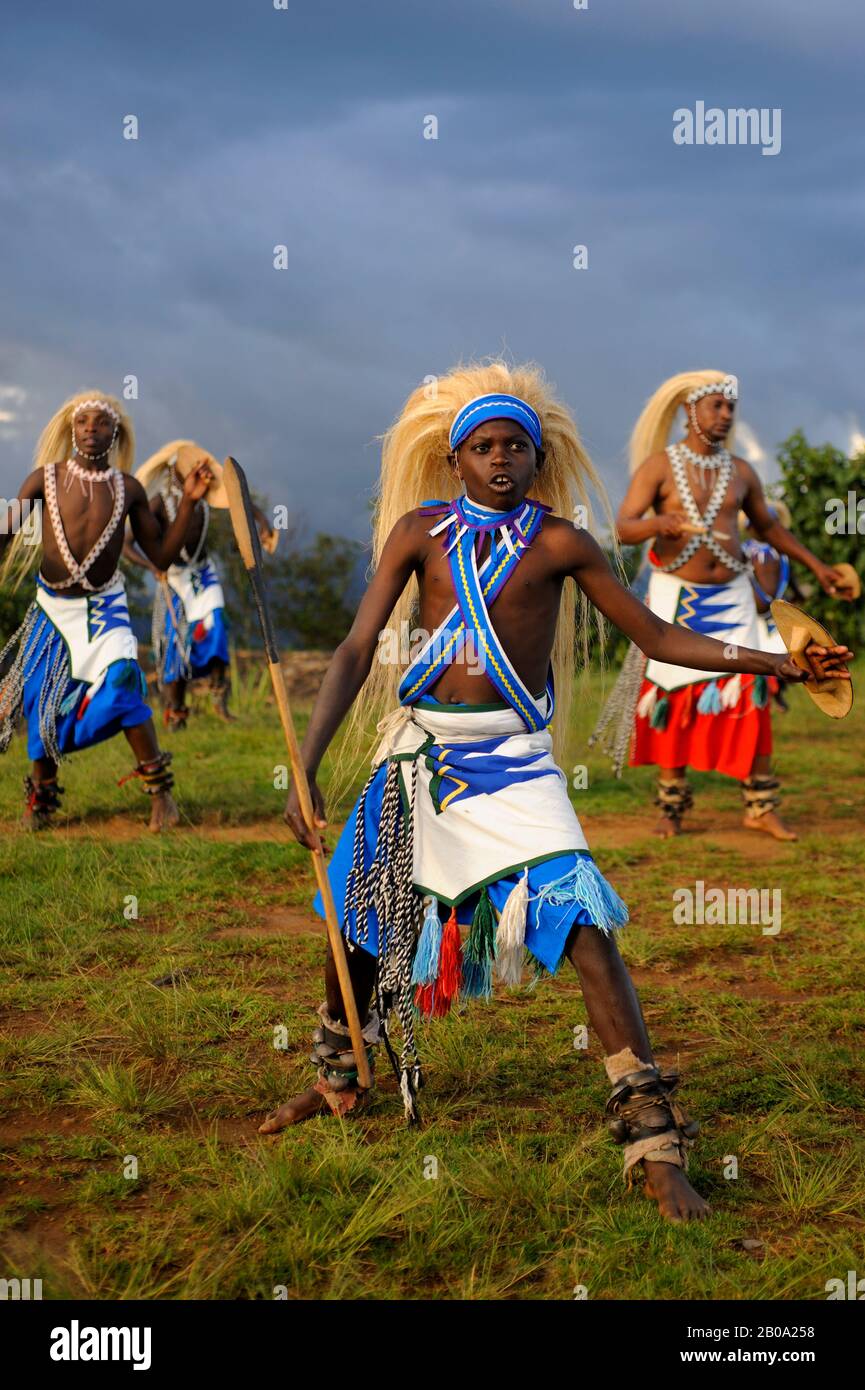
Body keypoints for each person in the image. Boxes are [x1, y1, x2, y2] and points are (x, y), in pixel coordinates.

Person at [264, 363, 851, 1224]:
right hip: (419, 754)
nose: (499, 460)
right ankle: (339, 1075)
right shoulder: (416, 533)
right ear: (454, 458)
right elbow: (356, 648)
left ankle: (653, 1143)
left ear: (536, 461)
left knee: (583, 927)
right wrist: (308, 766)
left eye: (515, 448)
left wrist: (774, 661)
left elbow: (654, 634)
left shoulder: (561, 541)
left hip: (514, 762)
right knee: (358, 909)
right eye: (482, 447)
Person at [591, 372, 854, 840]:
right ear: (691, 412)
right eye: (717, 406)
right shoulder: (659, 468)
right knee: (673, 697)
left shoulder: (742, 471)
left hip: (733, 597)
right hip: (678, 600)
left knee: (751, 693)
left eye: (731, 407)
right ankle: (671, 807)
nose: (727, 415)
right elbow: (623, 528)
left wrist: (817, 566)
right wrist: (661, 523)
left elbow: (770, 529)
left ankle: (760, 804)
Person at [0, 394, 212, 830]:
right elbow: (7, 531)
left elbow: (162, 557)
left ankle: (161, 797)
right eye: (83, 422)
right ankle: (41, 802)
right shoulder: (45, 478)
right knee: (43, 701)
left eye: (100, 423)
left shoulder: (127, 488)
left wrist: (189, 501)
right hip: (53, 609)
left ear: (115, 433)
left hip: (105, 607)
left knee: (123, 681)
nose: (91, 428)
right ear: (72, 430)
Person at [123, 442, 274, 727]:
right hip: (175, 579)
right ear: (178, 471)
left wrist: (263, 523)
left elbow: (240, 499)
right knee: (177, 646)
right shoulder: (159, 502)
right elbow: (126, 543)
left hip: (204, 574)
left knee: (216, 627)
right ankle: (176, 712)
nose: (201, 472)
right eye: (193, 467)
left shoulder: (208, 494)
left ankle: (219, 699)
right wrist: (152, 566)